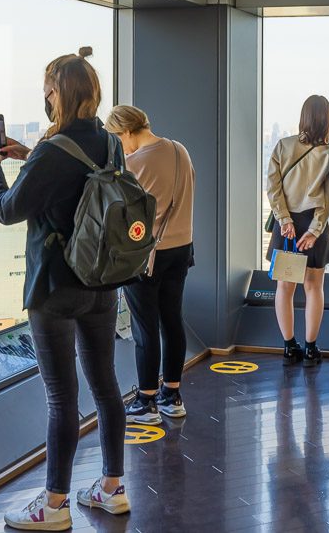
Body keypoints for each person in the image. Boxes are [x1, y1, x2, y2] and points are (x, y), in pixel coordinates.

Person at [0, 47, 130, 530]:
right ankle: (112, 489)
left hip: (55, 286)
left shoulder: (53, 149)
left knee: (60, 399)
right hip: (103, 283)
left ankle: (54, 506)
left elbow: (7, 208)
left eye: (47, 89)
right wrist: (29, 156)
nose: (44, 97)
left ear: (58, 95)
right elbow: (83, 182)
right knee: (107, 387)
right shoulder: (111, 143)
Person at [105, 105, 196, 424]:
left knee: (145, 327)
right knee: (172, 320)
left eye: (117, 138)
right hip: (182, 249)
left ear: (126, 131)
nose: (119, 145)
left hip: (146, 256)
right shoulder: (179, 150)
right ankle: (172, 395)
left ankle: (145, 401)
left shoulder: (133, 163)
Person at [266, 95, 329, 366]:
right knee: (314, 286)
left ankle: (288, 346)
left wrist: (284, 220)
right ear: (327, 119)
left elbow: (273, 187)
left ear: (304, 116)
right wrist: (315, 230)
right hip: (312, 224)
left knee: (285, 287)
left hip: (287, 226)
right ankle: (310, 348)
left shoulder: (283, 146)